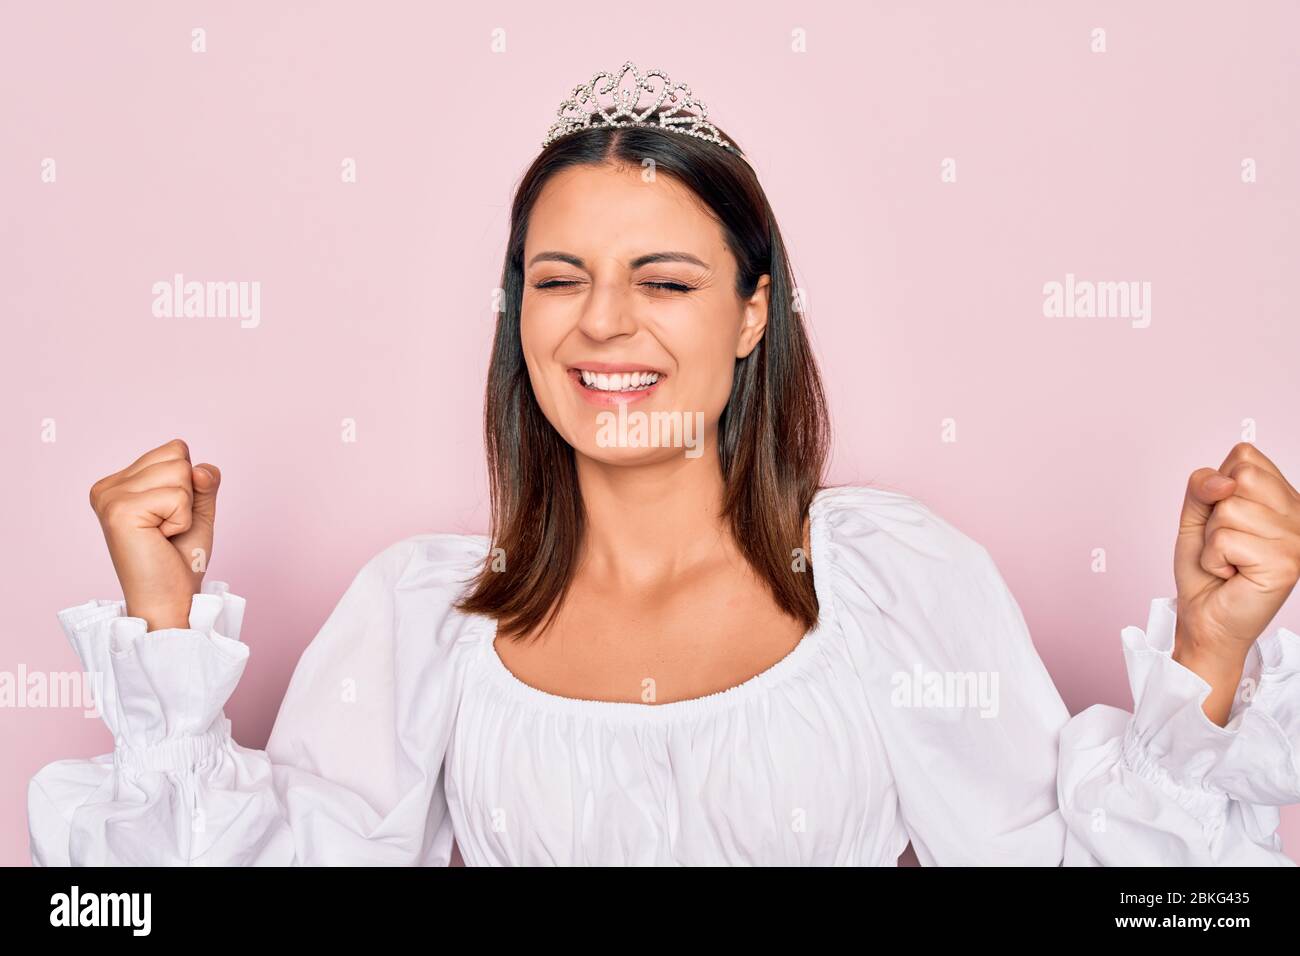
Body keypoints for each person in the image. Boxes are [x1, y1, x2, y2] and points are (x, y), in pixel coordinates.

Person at [28, 62, 1300, 866]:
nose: (603, 325)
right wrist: (163, 625)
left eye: (665, 280)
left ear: (753, 315)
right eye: (559, 278)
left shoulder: (893, 584)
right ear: (516, 313)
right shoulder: (422, 618)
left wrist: (1208, 652)